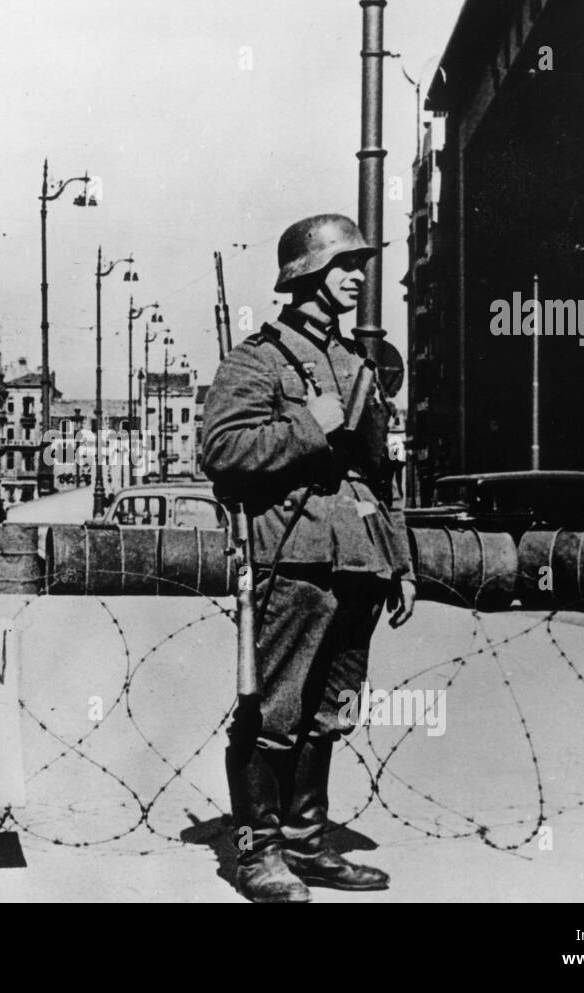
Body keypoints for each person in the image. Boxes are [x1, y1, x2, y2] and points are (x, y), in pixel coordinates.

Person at [201, 214, 416, 903]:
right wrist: (310, 424)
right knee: (276, 707)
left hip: (358, 558)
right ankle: (259, 850)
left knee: (330, 710)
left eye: (359, 264)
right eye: (344, 263)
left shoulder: (356, 362)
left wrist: (401, 560)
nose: (357, 276)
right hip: (292, 554)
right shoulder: (257, 359)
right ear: (307, 273)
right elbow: (223, 450)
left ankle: (306, 839)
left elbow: (381, 476)